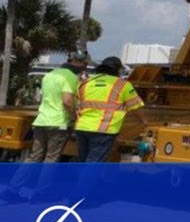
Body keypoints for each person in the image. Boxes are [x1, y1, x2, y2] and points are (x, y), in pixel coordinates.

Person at [5, 53, 90, 198]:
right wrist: (75, 118)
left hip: (41, 121)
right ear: (78, 63)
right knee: (51, 159)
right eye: (84, 65)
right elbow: (67, 101)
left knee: (35, 156)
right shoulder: (70, 77)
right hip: (58, 123)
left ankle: (13, 187)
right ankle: (41, 192)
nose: (85, 68)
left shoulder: (49, 75)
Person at [74, 56, 148, 162]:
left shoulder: (84, 83)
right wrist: (144, 121)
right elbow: (136, 106)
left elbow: (77, 103)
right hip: (103, 130)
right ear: (117, 70)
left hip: (82, 127)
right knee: (94, 163)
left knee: (84, 161)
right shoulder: (122, 85)